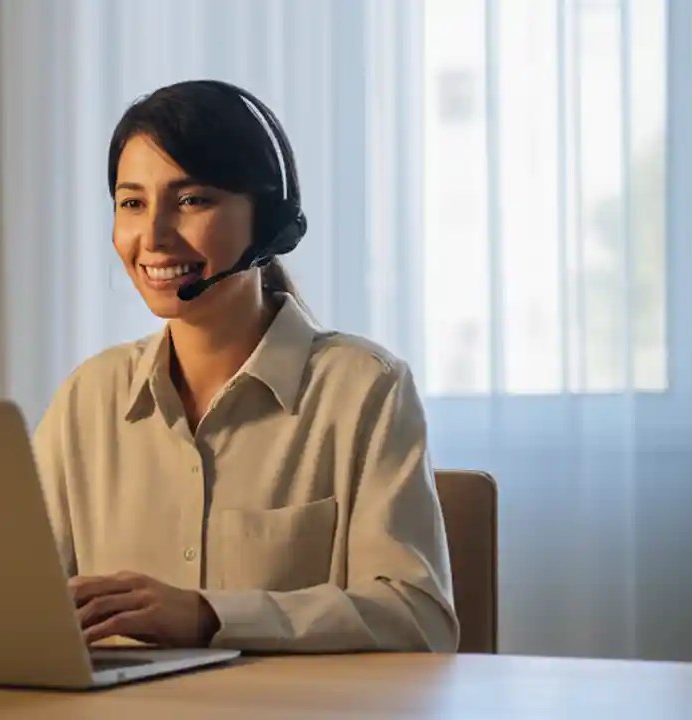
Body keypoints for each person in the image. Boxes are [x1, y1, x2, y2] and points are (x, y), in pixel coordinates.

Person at [32, 80, 459, 653]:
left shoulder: (364, 391)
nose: (153, 235)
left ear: (269, 223)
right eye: (132, 203)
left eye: (191, 201)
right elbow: (21, 605)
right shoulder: (88, 399)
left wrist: (207, 615)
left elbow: (418, 619)